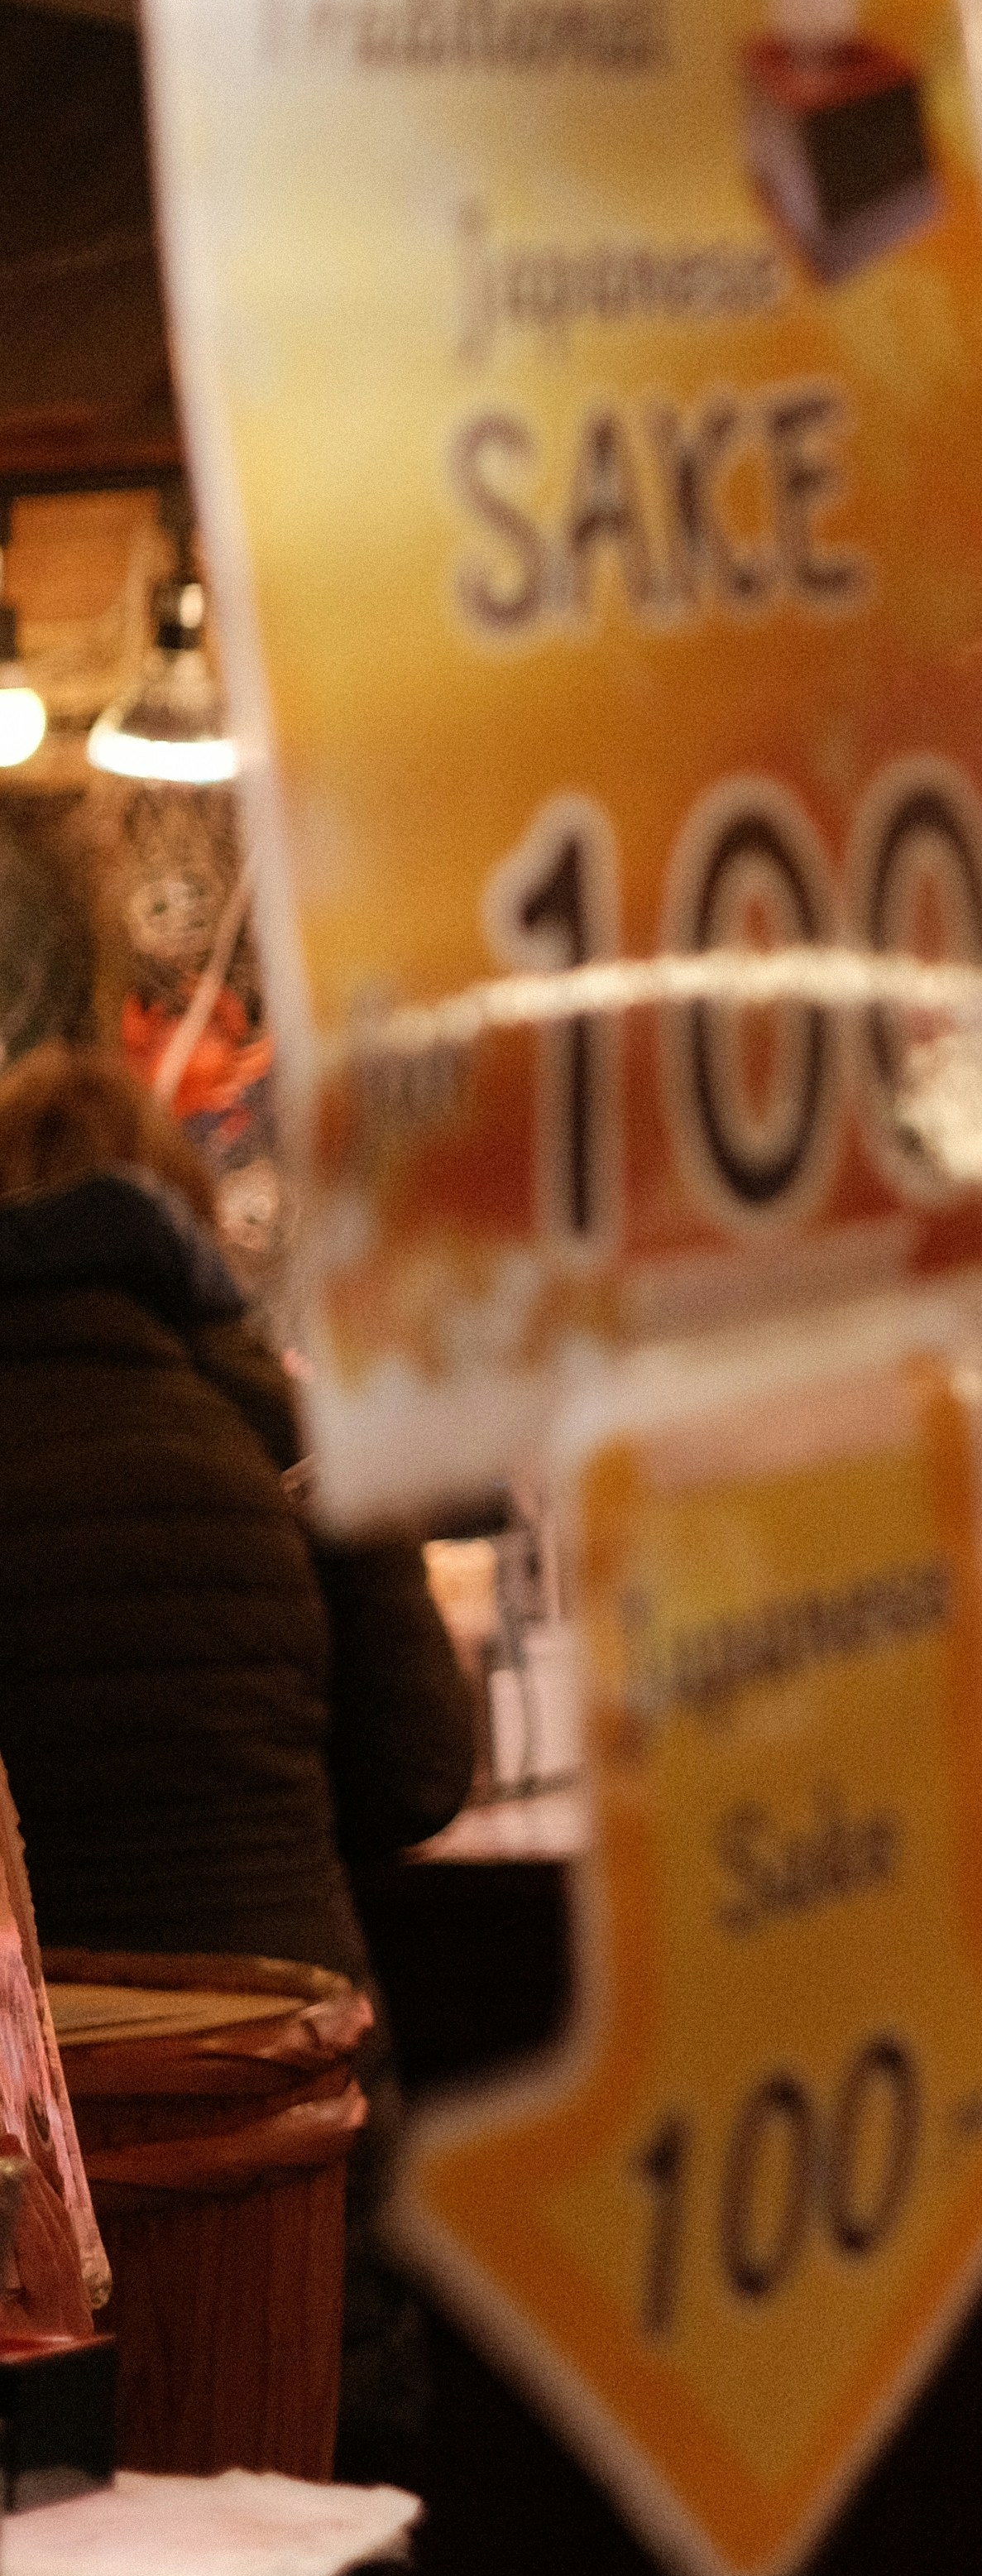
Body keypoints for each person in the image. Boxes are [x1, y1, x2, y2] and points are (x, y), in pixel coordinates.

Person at [0, 1046, 473, 2464]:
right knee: (320, 2557)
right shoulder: (272, 1414)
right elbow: (418, 1774)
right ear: (185, 1216)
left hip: (29, 2188)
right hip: (283, 2143)